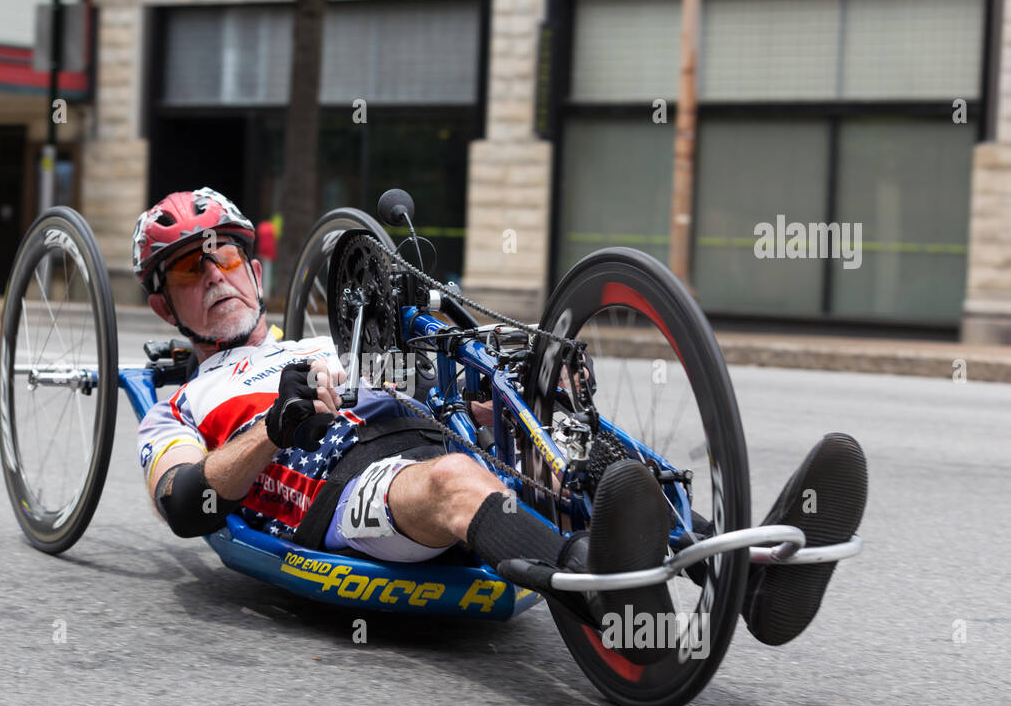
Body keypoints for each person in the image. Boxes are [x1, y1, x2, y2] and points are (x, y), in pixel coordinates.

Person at [133, 187, 868, 654]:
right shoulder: (178, 404)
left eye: (226, 255)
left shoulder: (324, 343)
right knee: (454, 480)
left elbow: (446, 395)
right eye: (192, 272)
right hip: (333, 484)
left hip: (426, 433)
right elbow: (184, 501)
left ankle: (755, 575)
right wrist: (274, 428)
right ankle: (605, 596)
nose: (219, 277)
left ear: (254, 268)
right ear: (166, 305)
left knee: (575, 455)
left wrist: (527, 393)